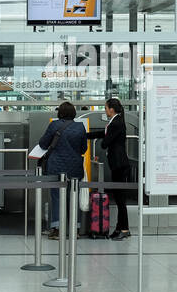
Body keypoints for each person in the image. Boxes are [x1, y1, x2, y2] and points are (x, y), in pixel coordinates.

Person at [35, 100, 88, 240]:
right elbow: (84, 149)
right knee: (73, 197)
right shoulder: (80, 127)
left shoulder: (54, 125)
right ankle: (74, 230)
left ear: (60, 113)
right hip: (75, 167)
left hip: (57, 167)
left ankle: (57, 229)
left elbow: (43, 143)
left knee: (57, 197)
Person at [88, 97, 131, 239]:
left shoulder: (116, 123)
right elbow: (104, 133)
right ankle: (120, 228)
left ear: (111, 109)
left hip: (119, 164)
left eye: (106, 108)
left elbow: (105, 142)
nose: (105, 110)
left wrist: (103, 140)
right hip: (118, 164)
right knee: (119, 199)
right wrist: (86, 135)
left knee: (120, 199)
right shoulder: (115, 121)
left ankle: (124, 229)